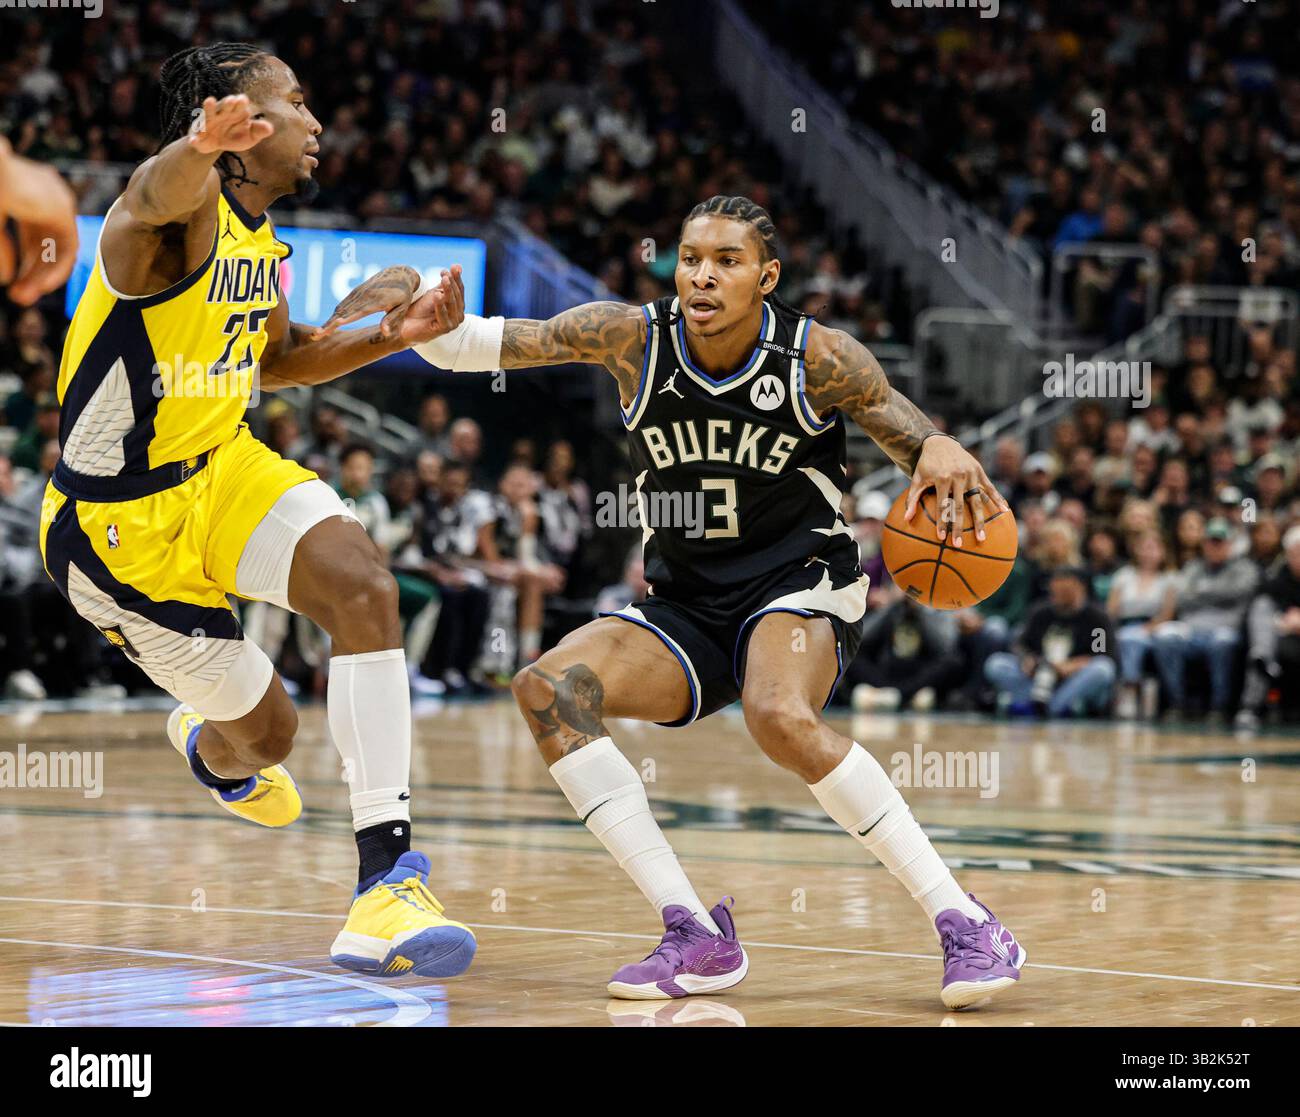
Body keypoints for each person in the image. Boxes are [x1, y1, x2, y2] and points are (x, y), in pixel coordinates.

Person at [369, 195, 1025, 1008]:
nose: (703, 275)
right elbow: (486, 345)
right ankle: (695, 932)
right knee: (548, 687)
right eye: (690, 258)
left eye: (727, 260)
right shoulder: (631, 336)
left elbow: (902, 428)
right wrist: (429, 325)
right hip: (685, 600)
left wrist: (938, 445)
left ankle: (965, 920)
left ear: (767, 275)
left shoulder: (816, 356)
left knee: (777, 714)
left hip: (799, 582)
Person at [37, 42, 476, 980]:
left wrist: (392, 336)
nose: (317, 124)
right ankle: (214, 743)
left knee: (363, 582)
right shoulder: (163, 223)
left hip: (221, 465)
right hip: (119, 530)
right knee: (268, 740)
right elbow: (149, 193)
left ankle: (384, 882)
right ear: (241, 126)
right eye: (299, 103)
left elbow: (280, 360)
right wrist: (194, 149)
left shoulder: (258, 243)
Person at [1152, 517, 1258, 722]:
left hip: (1225, 629)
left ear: (1230, 544)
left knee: (1222, 642)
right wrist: (1220, 595)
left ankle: (1219, 707)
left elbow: (1240, 591)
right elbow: (1181, 597)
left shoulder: (1244, 567)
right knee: (1165, 637)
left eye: (1220, 541)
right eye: (1211, 541)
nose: (1215, 546)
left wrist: (1201, 592)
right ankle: (1177, 703)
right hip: (1191, 629)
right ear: (1204, 544)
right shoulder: (1193, 567)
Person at [985, 566, 1117, 717]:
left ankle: (1049, 706)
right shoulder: (1040, 613)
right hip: (1039, 676)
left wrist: (1069, 666)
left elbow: (1101, 655)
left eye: (1063, 592)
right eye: (1054, 592)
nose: (1056, 596)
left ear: (1080, 589)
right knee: (996, 663)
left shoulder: (1096, 619)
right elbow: (1020, 644)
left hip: (1072, 679)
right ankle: (1042, 704)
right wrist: (1027, 660)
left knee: (1102, 669)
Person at [1106, 530, 1178, 719]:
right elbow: (1111, 610)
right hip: (1125, 626)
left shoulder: (1169, 578)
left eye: (1153, 548)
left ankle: (1165, 698)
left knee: (1136, 639)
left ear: (1163, 552)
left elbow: (1167, 613)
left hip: (1155, 626)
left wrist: (1147, 628)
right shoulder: (1123, 575)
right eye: (1145, 548)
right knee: (1128, 639)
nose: (1148, 553)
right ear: (1137, 551)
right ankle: (1129, 690)